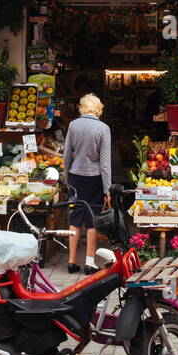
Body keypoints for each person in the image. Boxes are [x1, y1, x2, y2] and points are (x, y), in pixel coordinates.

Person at [63, 93, 111, 275]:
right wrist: (107, 188)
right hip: (94, 178)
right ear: (98, 109)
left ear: (82, 108)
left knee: (74, 219)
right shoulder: (103, 128)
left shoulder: (73, 125)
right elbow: (105, 163)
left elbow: (67, 156)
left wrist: (68, 180)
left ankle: (71, 261)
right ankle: (90, 262)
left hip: (75, 176)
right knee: (92, 221)